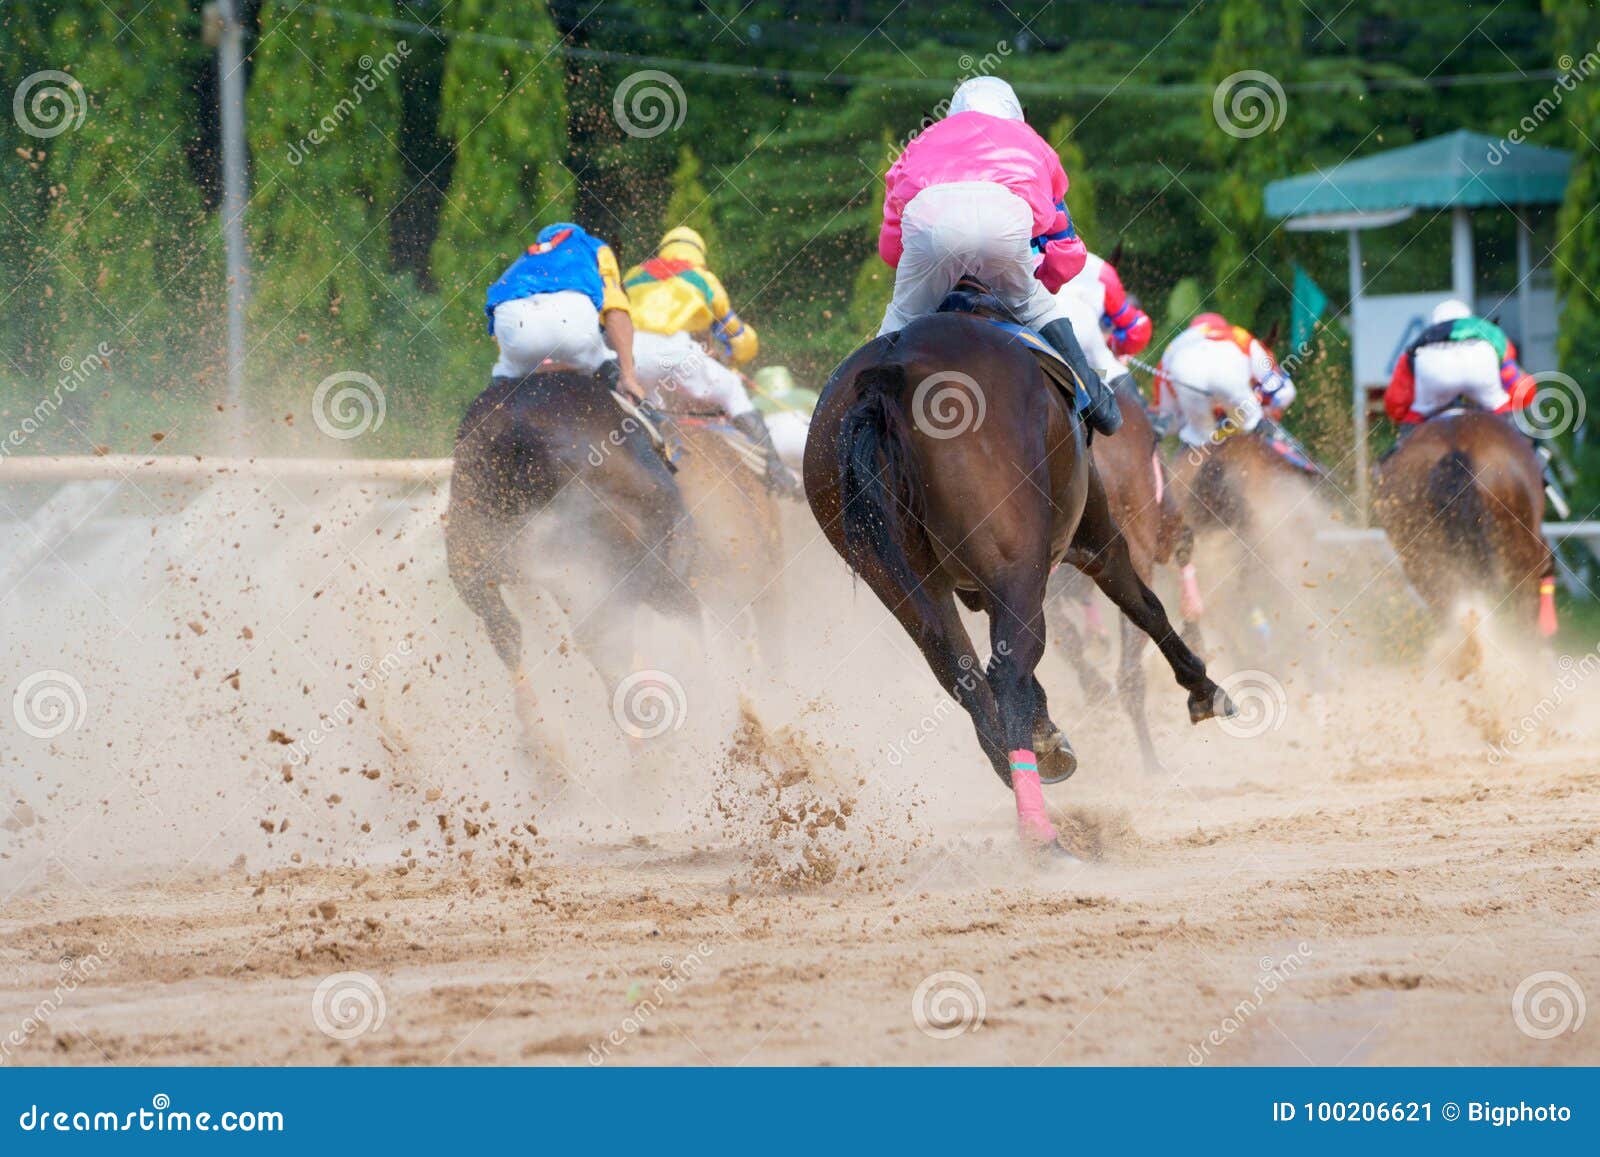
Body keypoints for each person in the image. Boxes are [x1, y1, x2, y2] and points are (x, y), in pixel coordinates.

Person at [876, 75, 1122, 435]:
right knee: (1038, 308)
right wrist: (1042, 283)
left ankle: (863, 405)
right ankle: (1098, 403)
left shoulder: (920, 142)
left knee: (899, 318)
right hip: (1004, 227)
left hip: (931, 226)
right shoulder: (1033, 144)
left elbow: (890, 247)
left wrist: (929, 272)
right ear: (1014, 114)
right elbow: (1067, 251)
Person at [623, 226, 801, 496]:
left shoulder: (635, 274)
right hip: (678, 352)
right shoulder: (702, 278)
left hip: (631, 355)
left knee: (650, 410)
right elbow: (740, 340)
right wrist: (735, 357)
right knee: (732, 390)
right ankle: (777, 474)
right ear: (699, 255)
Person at [484, 222, 641, 398]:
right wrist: (628, 375)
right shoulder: (593, 246)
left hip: (515, 327)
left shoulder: (523, 260)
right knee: (607, 364)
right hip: (571, 322)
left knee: (503, 378)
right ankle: (649, 415)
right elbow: (615, 310)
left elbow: (498, 330)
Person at [1384, 299, 1536, 426]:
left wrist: (1408, 418)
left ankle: (1400, 449)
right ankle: (1536, 454)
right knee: (1506, 414)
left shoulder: (1422, 339)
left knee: (1412, 423)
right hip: (1480, 360)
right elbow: (1521, 389)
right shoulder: (1489, 332)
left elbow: (1396, 404)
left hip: (1431, 364)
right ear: (1468, 318)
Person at [1153, 313, 1294, 448]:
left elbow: (1167, 420)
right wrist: (1265, 411)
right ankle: (1301, 462)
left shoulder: (1172, 348)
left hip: (1183, 372)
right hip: (1228, 375)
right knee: (1252, 420)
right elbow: (1285, 392)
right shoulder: (1239, 335)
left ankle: (1203, 443)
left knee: (1199, 439)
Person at [1056, 249, 1151, 397]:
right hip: (1067, 318)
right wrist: (1116, 353)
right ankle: (1138, 408)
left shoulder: (1076, 256)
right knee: (1109, 369)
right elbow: (1137, 332)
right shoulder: (1106, 276)